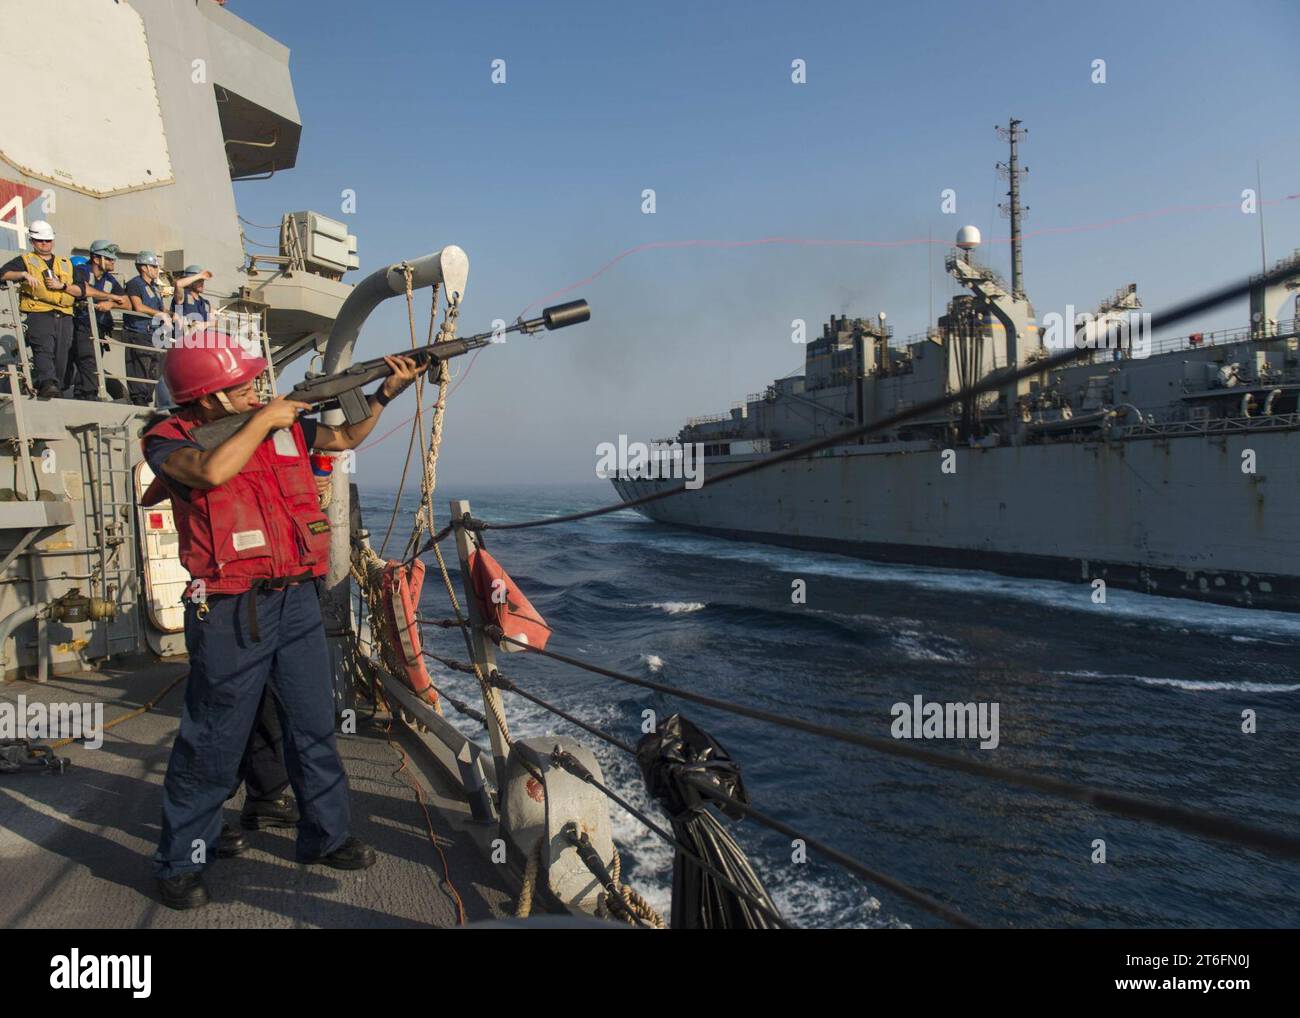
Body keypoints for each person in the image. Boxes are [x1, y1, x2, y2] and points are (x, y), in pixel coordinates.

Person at [145, 330, 421, 909]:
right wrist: (265, 418)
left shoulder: (283, 426)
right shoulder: (168, 437)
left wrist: (384, 395)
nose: (256, 392)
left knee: (312, 725)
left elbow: (344, 435)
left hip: (296, 598)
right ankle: (181, 862)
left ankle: (326, 835)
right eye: (245, 386)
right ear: (212, 397)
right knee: (212, 740)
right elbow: (210, 472)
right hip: (229, 605)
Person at [0, 220, 84, 398]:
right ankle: (47, 384)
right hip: (39, 312)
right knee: (43, 349)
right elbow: (3, 274)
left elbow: (80, 289)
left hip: (64, 314)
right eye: (40, 241)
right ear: (32, 241)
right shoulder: (25, 261)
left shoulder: (66, 263)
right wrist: (22, 274)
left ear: (53, 241)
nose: (44, 244)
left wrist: (62, 286)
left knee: (62, 354)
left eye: (47, 240)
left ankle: (56, 387)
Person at [68, 239, 130, 400]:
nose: (112, 261)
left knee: (93, 360)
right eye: (109, 258)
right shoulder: (81, 271)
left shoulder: (109, 279)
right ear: (96, 259)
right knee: (87, 360)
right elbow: (84, 289)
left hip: (99, 328)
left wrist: (110, 303)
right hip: (81, 323)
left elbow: (127, 303)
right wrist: (112, 297)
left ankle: (87, 393)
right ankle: (86, 395)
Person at [123, 250, 168, 405]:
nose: (157, 270)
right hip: (139, 331)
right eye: (154, 267)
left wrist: (172, 314)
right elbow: (138, 306)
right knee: (140, 366)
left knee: (154, 368)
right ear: (144, 268)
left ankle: (146, 398)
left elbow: (160, 308)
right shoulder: (135, 284)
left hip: (154, 334)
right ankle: (139, 399)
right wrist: (160, 314)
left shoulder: (155, 288)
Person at [171, 264, 213, 333]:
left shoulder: (205, 302)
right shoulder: (183, 295)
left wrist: (206, 324)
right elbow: (178, 284)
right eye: (199, 280)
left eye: (203, 280)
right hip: (182, 340)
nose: (202, 283)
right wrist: (199, 275)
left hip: (200, 340)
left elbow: (215, 322)